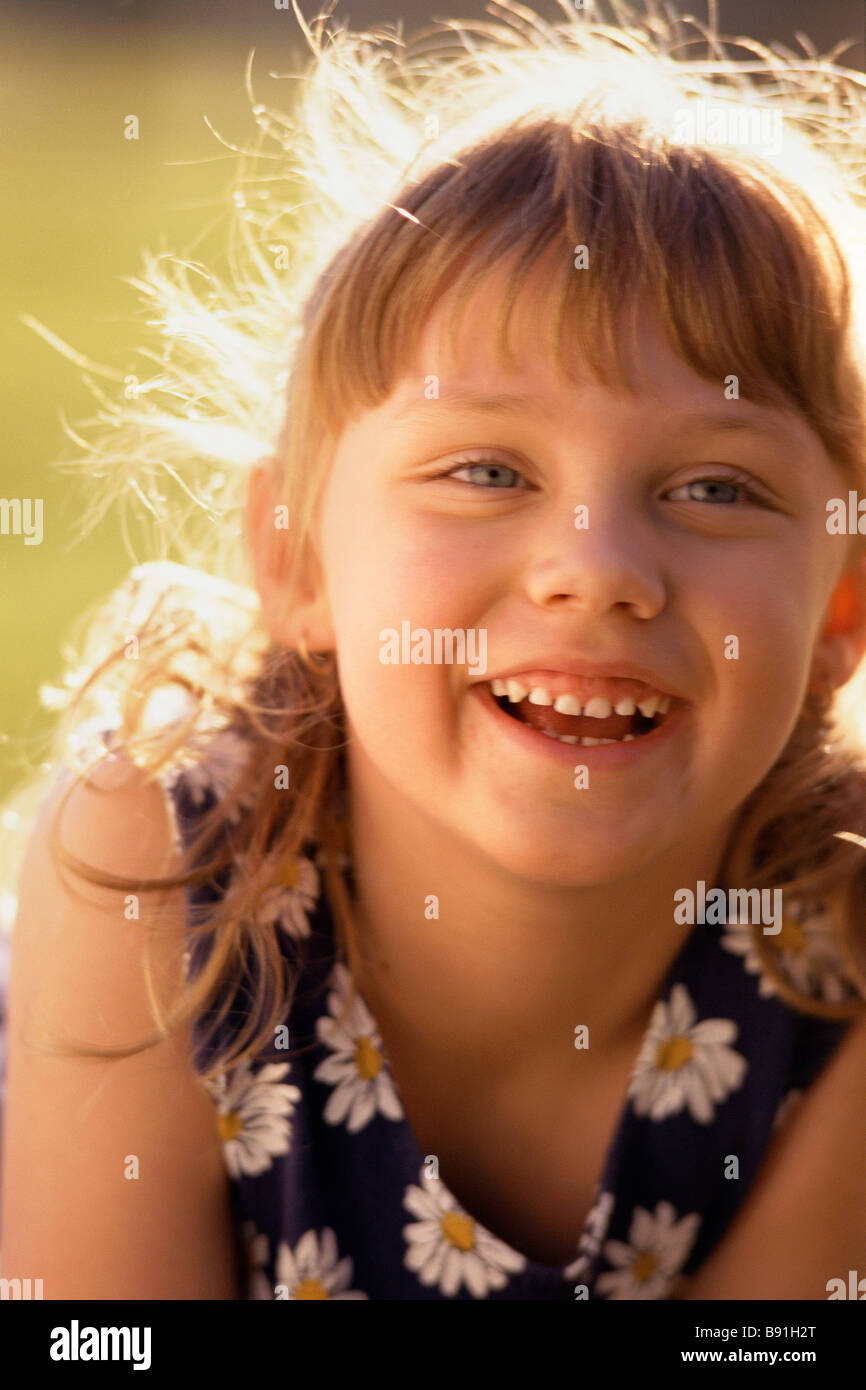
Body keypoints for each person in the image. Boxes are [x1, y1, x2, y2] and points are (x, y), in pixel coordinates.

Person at [2, 0, 866, 1300]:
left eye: (715, 489)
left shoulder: (835, 948)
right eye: (485, 468)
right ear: (296, 558)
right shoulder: (156, 873)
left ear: (839, 615)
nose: (596, 567)